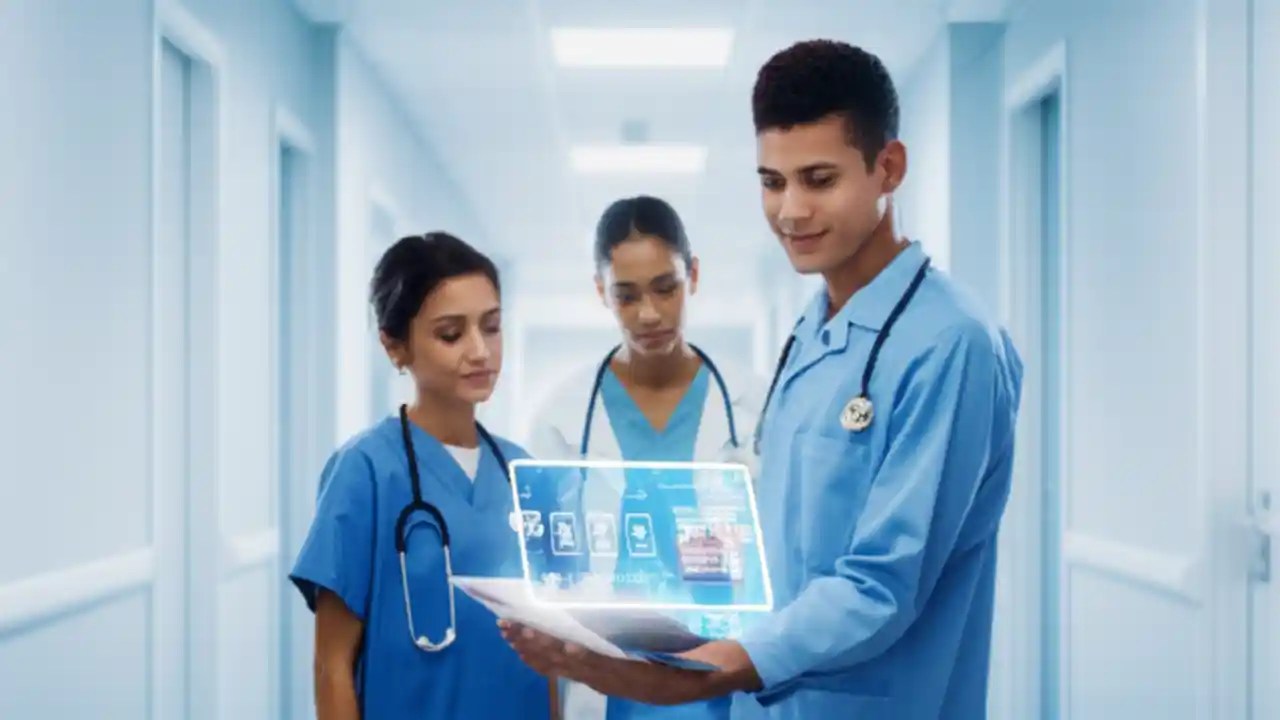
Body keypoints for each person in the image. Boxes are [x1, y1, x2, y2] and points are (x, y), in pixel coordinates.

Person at [501, 39, 1025, 720]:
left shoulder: (951, 344)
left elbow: (880, 587)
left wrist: (695, 677)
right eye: (772, 182)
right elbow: (772, 558)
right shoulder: (812, 333)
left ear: (888, 168)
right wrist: (635, 646)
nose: (790, 211)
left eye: (819, 179)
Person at [289, 232, 553, 719]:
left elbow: (549, 651)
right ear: (395, 346)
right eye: (451, 334)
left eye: (492, 327)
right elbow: (331, 665)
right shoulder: (365, 470)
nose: (480, 351)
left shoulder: (525, 473)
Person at [527, 195, 767, 720]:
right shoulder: (563, 418)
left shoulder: (754, 406)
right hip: (607, 687)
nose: (649, 314)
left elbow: (778, 561)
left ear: (693, 275)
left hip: (725, 684)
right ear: (601, 292)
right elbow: (548, 581)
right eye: (626, 295)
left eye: (666, 287)